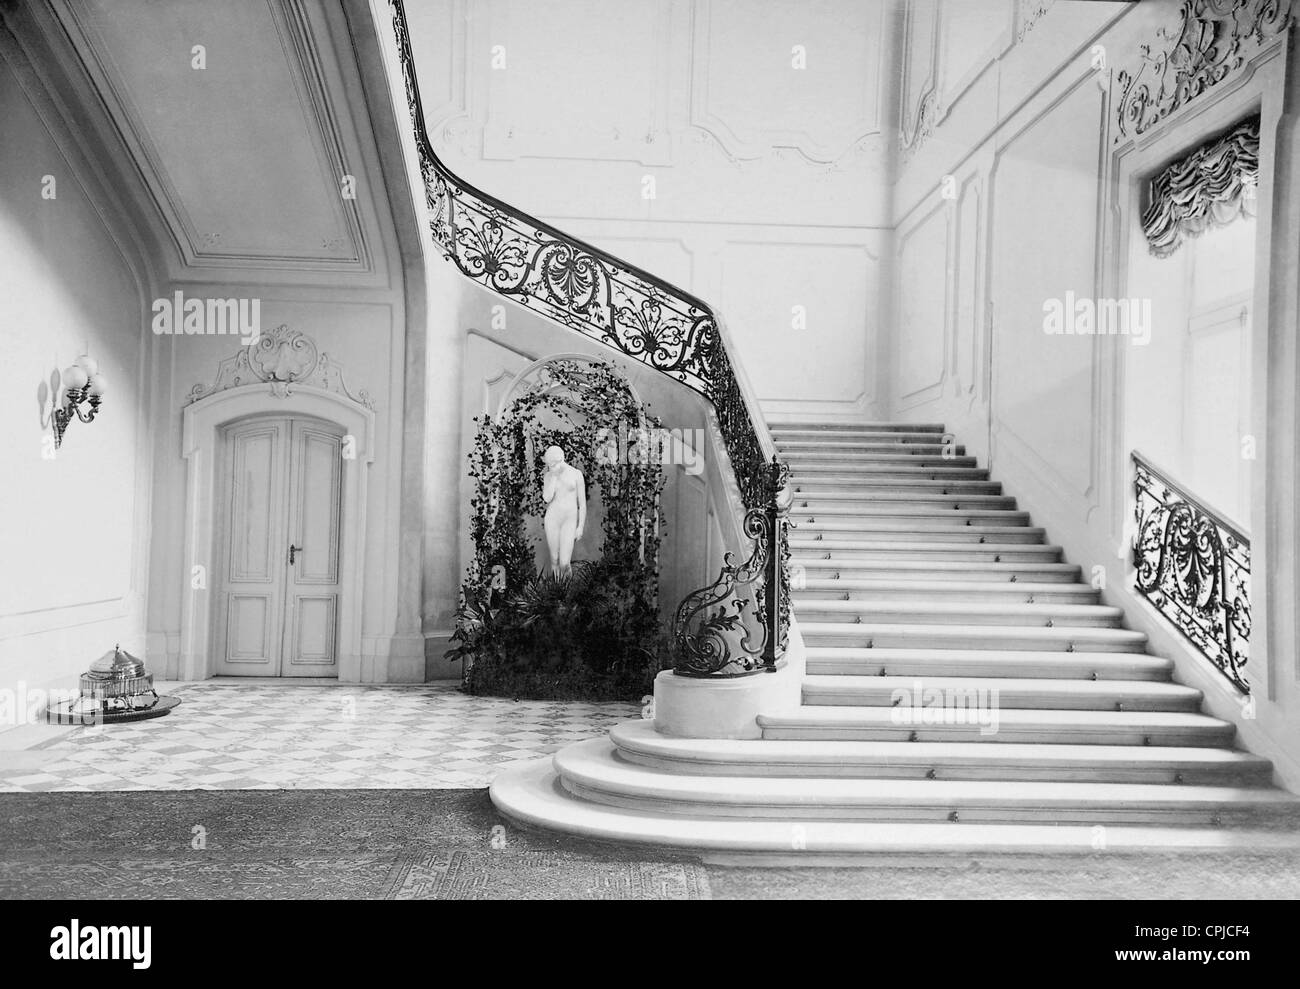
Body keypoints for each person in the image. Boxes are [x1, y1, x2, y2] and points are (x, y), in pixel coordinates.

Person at [541, 445, 585, 576]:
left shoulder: (576, 474)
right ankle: (558, 594)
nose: (551, 468)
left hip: (569, 520)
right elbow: (547, 498)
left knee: (564, 563)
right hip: (552, 519)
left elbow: (582, 504)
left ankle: (569, 593)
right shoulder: (549, 476)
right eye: (549, 465)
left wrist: (580, 527)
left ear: (561, 459)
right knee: (554, 560)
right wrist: (553, 478)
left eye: (553, 465)